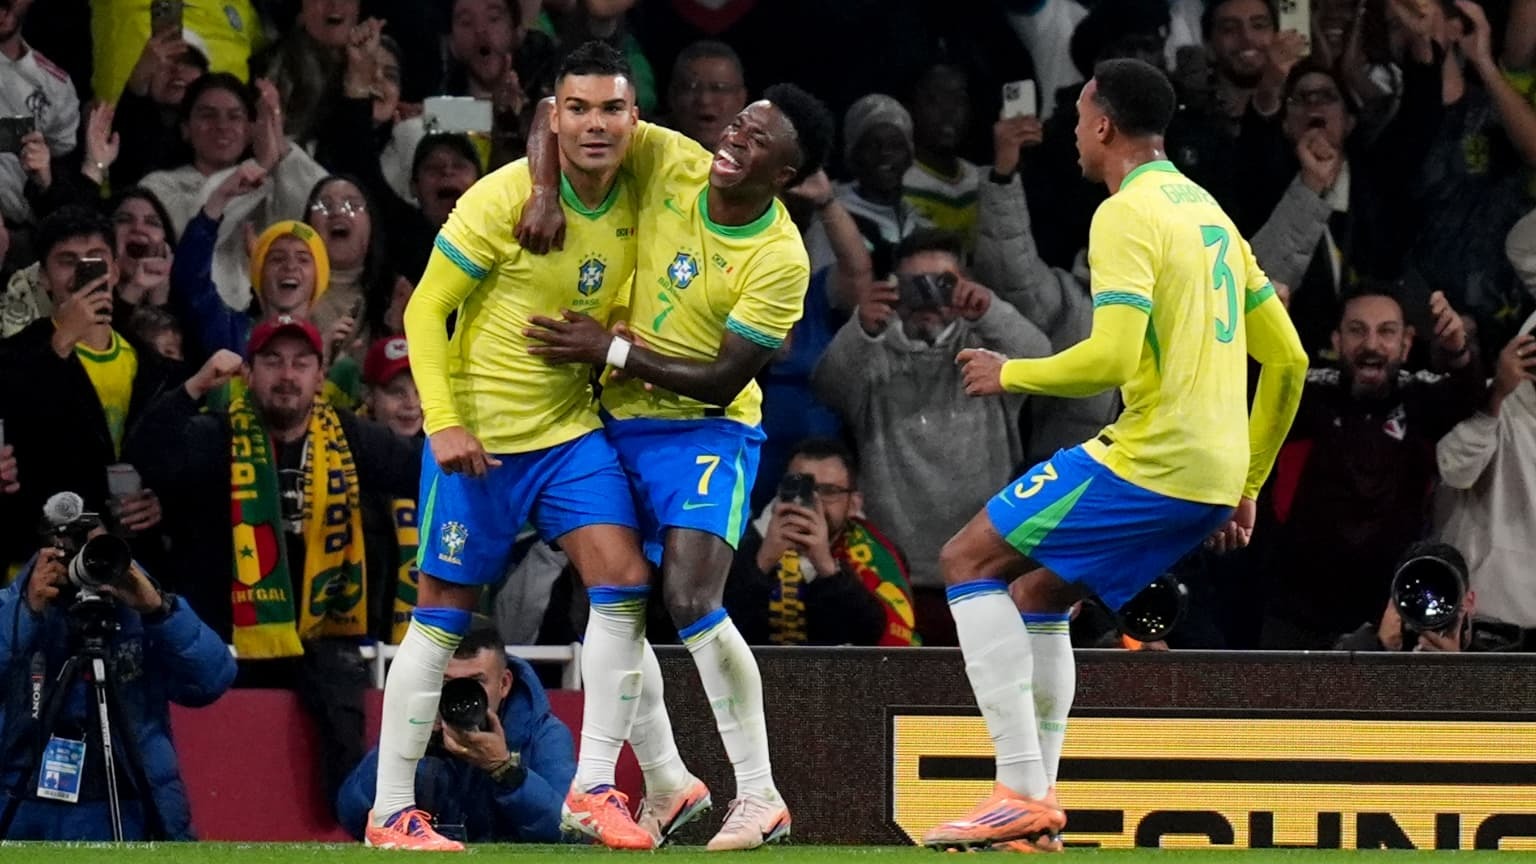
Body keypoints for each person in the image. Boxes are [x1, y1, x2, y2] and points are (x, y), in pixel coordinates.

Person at [929, 58, 1308, 850]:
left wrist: (1009, 372)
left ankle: (1014, 790)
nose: (1072, 132)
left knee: (965, 559)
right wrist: (1246, 482)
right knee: (1037, 595)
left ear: (1102, 124)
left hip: (1150, 459)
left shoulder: (1125, 214)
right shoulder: (1209, 214)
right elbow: (1290, 361)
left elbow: (1110, 357)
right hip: (1208, 474)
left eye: (1078, 117)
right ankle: (1037, 813)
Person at [517, 79, 834, 850]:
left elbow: (725, 377)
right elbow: (554, 114)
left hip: (706, 432)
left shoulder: (779, 257)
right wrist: (543, 192)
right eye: (739, 123)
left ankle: (760, 794)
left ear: (785, 174)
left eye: (758, 139)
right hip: (618, 419)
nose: (735, 139)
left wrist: (611, 349)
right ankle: (665, 782)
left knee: (690, 598)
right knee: (608, 599)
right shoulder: (672, 158)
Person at [377, 42, 653, 852]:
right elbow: (424, 310)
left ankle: (599, 786)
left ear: (634, 117)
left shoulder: (645, 194)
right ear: (553, 118)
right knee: (441, 617)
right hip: (481, 442)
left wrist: (618, 338)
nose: (596, 125)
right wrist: (442, 421)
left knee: (624, 582)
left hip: (568, 434)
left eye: (611, 109)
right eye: (578, 109)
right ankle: (391, 811)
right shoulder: (499, 198)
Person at [0, 529, 236, 840]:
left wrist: (160, 610)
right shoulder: (17, 604)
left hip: (134, 811)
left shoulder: (137, 609)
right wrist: (27, 610)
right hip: (27, 812)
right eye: (71, 545)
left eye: (97, 544)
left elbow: (211, 679)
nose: (85, 559)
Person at [337, 625, 576, 843]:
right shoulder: (416, 725)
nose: (460, 694)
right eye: (446, 683)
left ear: (504, 684)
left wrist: (505, 770)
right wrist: (414, 746)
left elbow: (568, 830)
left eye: (475, 682)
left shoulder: (544, 734)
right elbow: (352, 816)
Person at [726, 437, 919, 647]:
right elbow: (716, 627)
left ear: (853, 504)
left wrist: (827, 568)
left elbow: (875, 639)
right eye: (802, 487)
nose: (813, 502)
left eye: (829, 491)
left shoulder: (877, 555)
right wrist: (762, 563)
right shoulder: (741, 540)